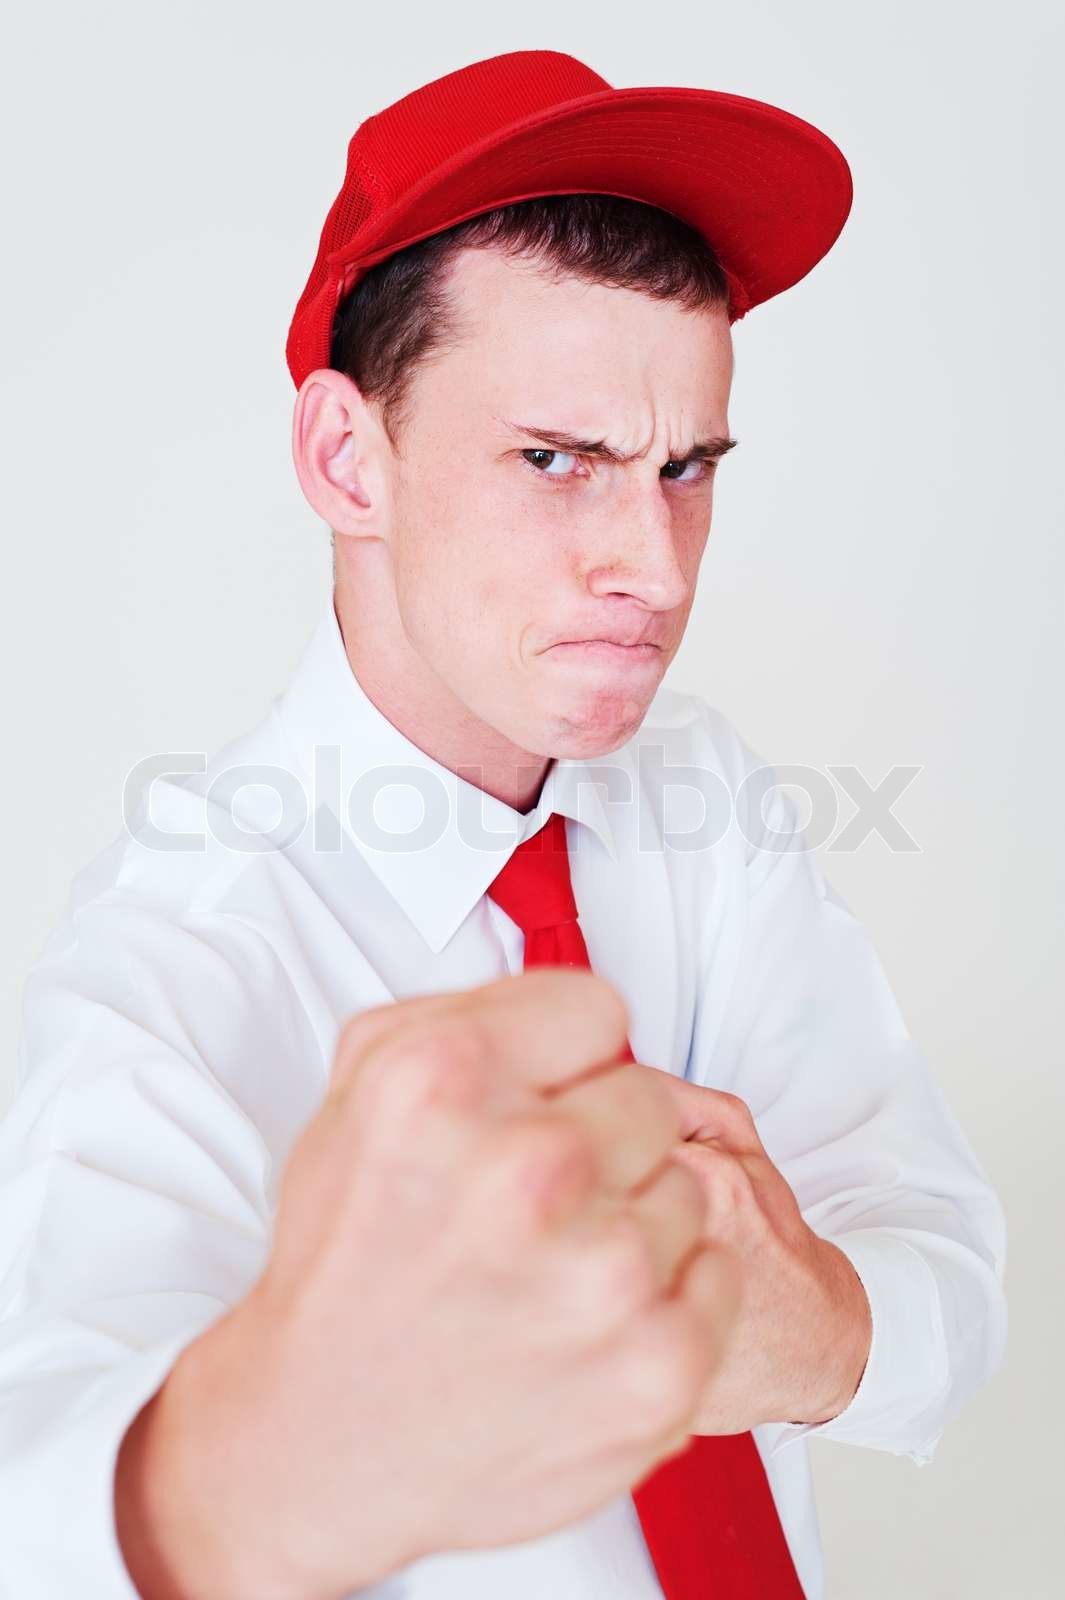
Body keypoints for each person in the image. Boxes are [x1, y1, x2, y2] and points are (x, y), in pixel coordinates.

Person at [0, 47, 1006, 1600]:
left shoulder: (708, 806)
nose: (656, 570)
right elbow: (44, 1504)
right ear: (349, 459)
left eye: (685, 470)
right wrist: (268, 1468)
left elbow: (942, 1278)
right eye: (556, 460)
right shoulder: (176, 955)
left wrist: (814, 1320)